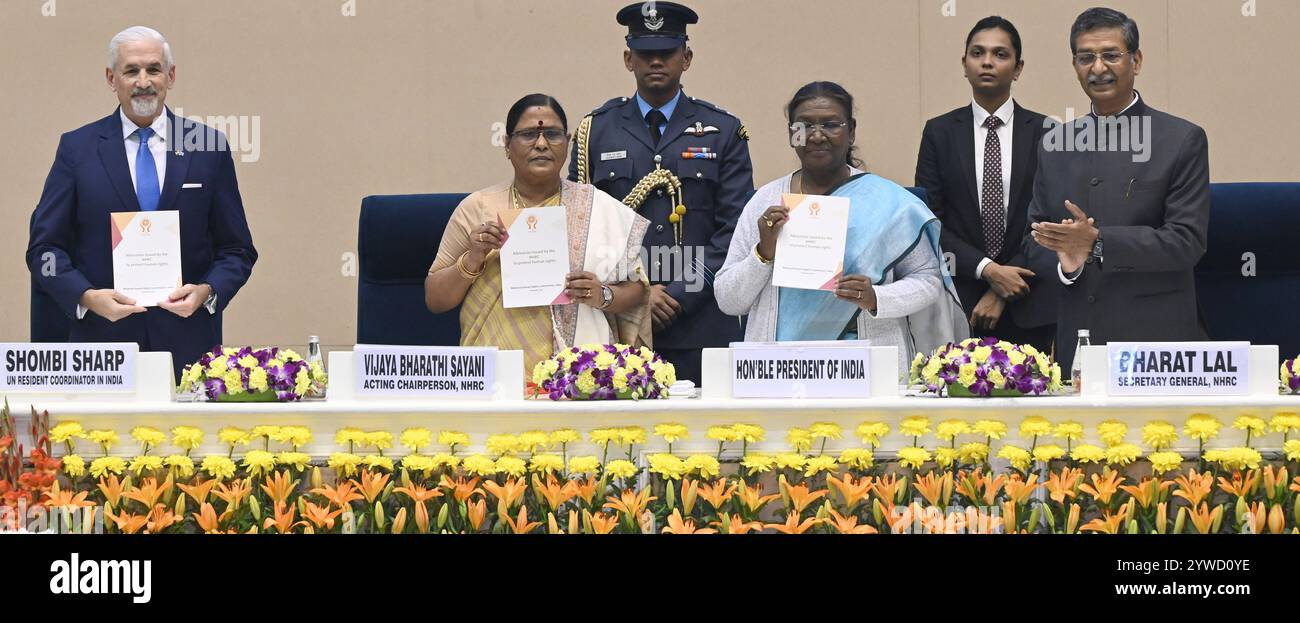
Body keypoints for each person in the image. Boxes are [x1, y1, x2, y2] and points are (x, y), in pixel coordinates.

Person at [26, 26, 257, 381]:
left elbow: (237, 250)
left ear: (171, 75)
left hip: (190, 350)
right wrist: (87, 297)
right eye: (131, 70)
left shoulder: (207, 145)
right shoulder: (77, 149)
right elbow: (43, 252)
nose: (143, 81)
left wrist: (207, 292)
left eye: (154, 69)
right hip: (102, 352)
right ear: (111, 78)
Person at [715, 82, 967, 371]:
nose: (817, 135)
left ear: (852, 131)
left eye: (831, 124)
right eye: (804, 126)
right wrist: (763, 253)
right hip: (780, 367)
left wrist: (877, 298)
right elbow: (728, 300)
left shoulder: (889, 201)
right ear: (791, 134)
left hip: (868, 365)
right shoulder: (766, 201)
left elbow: (928, 280)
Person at [569, 1, 754, 387]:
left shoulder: (722, 130)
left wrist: (681, 291)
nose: (656, 62)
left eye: (666, 53)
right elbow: (580, 226)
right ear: (628, 58)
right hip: (618, 323)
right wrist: (639, 293)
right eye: (645, 54)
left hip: (701, 322)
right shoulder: (595, 132)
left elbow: (734, 229)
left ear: (686, 58)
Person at [1027, 7, 1210, 371]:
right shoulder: (1055, 143)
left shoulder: (1181, 139)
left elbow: (1187, 242)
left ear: (1136, 60)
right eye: (1085, 58)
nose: (1097, 68)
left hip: (1158, 347)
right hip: (1078, 345)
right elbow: (1033, 242)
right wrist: (1070, 265)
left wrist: (1096, 242)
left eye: (1111, 55)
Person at [426, 94, 651, 378]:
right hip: (494, 376)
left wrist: (602, 295)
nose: (542, 144)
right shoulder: (478, 208)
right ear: (507, 145)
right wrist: (473, 258)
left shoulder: (598, 207)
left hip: (577, 377)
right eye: (529, 134)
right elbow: (435, 299)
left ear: (567, 143)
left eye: (553, 134)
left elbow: (637, 290)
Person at [915, 16, 1057, 354]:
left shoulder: (1048, 132)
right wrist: (988, 271)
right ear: (964, 64)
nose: (988, 62)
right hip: (960, 298)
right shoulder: (939, 132)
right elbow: (929, 220)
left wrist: (1003, 287)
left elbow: (1050, 221)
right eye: (977, 53)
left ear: (1018, 68)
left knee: (1031, 402)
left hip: (1029, 298)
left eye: (1000, 54)